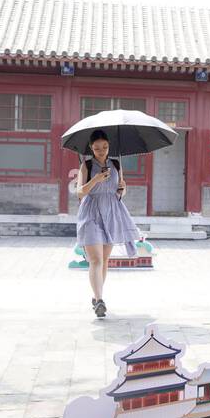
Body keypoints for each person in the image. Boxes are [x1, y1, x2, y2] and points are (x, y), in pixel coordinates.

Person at [75, 130, 140, 317]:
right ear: (91, 148)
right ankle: (100, 300)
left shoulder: (116, 164)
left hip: (112, 213)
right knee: (95, 259)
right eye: (97, 148)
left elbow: (119, 192)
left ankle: (97, 297)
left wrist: (122, 189)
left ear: (109, 146)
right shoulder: (86, 165)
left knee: (104, 261)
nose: (101, 151)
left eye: (104, 147)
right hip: (91, 213)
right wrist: (96, 179)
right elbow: (79, 192)